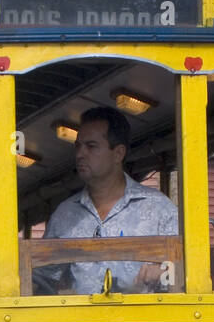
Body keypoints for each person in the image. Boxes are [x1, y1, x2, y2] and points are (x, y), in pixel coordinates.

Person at [44, 106, 179, 294]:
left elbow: (197, 265)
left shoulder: (158, 208)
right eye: (78, 146)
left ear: (118, 154)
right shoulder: (64, 215)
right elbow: (44, 279)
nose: (80, 154)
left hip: (143, 321)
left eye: (91, 146)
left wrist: (166, 271)